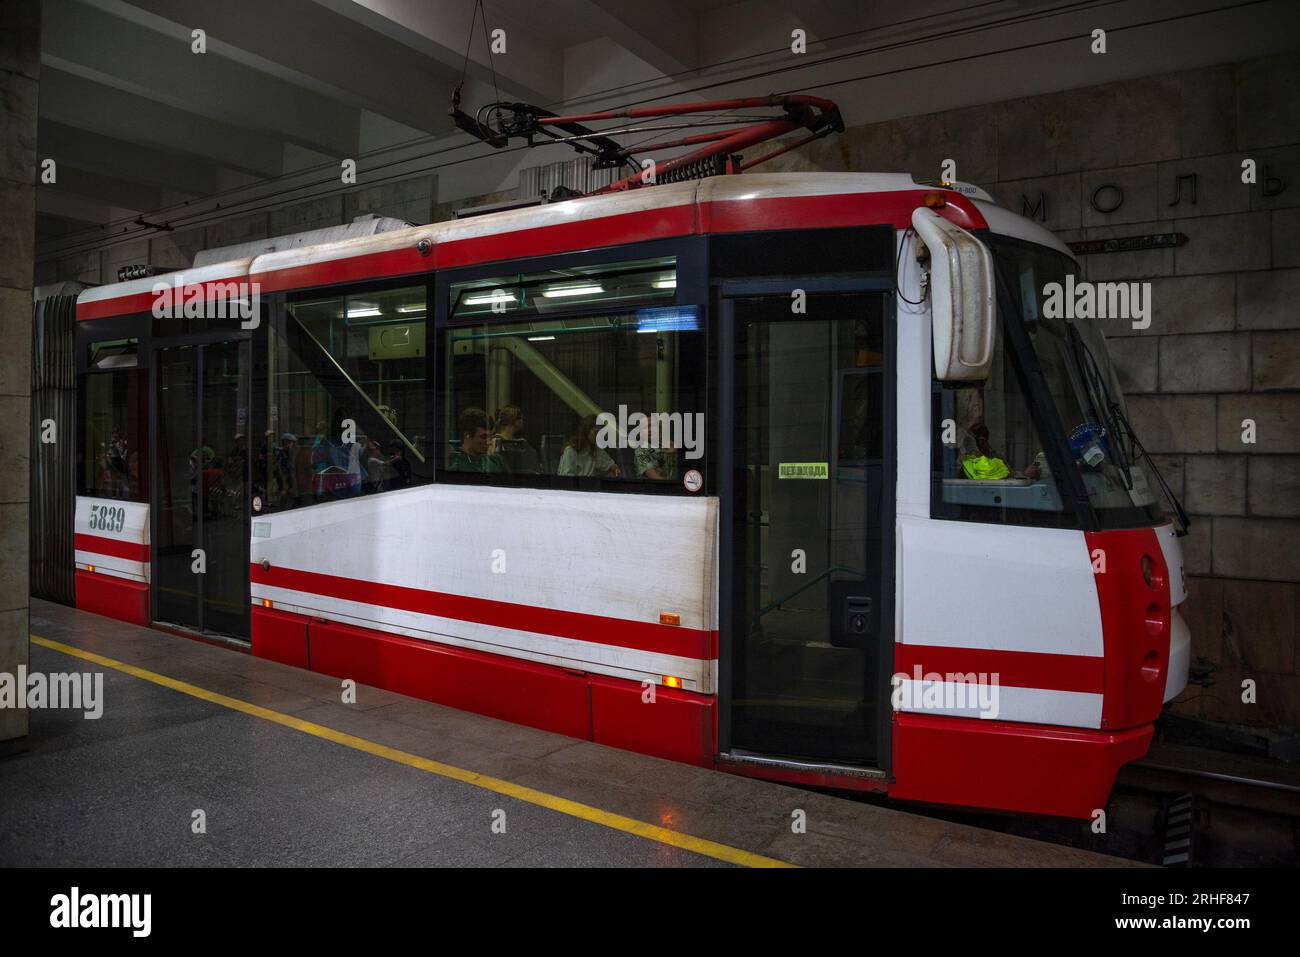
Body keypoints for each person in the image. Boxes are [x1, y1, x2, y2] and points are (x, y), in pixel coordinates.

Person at [558, 414, 620, 478]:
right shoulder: (570, 451)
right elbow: (566, 478)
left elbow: (611, 465)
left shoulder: (595, 450)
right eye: (596, 432)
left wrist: (614, 471)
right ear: (587, 431)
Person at [447, 407, 506, 473]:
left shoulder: (496, 461)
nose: (489, 442)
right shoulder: (456, 469)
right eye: (483, 437)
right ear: (467, 436)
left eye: (490, 436)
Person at [492, 403, 540, 472]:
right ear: (514, 421)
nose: (523, 421)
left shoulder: (518, 443)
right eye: (521, 419)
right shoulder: (496, 443)